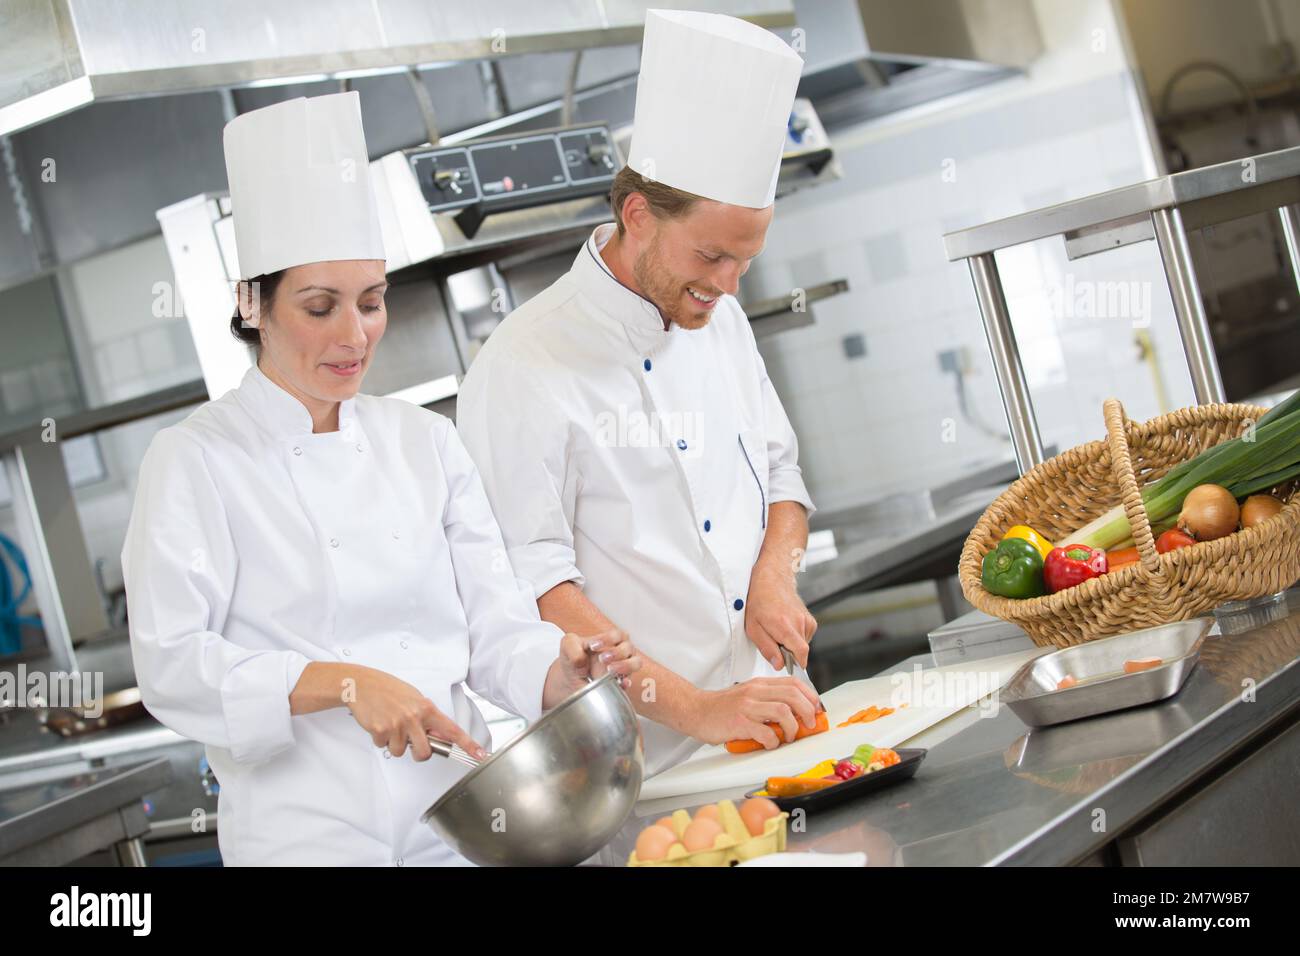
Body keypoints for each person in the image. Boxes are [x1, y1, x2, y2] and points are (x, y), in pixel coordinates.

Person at [121, 92, 638, 866]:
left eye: (371, 301)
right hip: (304, 834)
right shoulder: (195, 460)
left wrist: (555, 669)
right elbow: (171, 666)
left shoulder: (425, 441)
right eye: (320, 306)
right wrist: (345, 683)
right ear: (250, 304)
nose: (354, 335)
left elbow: (495, 630)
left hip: (455, 822)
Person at [456, 10, 818, 777]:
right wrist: (697, 706)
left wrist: (774, 574)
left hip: (785, 719)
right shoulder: (522, 364)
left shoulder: (720, 318)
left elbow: (783, 479)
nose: (726, 286)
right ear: (637, 216)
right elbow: (540, 590)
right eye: (712, 255)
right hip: (653, 771)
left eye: (744, 263)